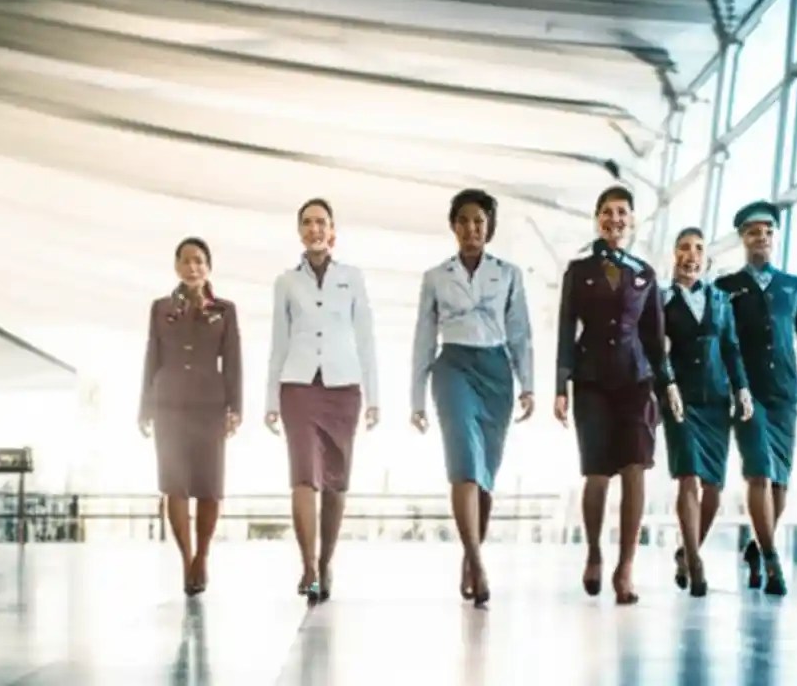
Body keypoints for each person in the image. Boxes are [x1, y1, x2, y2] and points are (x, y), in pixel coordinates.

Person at [554, 185, 682, 606]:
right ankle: (593, 551)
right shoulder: (578, 270)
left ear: (632, 220)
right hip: (591, 381)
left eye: (622, 212)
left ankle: (626, 567)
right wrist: (561, 386)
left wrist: (668, 386)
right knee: (595, 474)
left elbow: (655, 337)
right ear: (597, 218)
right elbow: (565, 331)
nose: (615, 219)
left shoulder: (644, 272)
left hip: (636, 381)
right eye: (607, 212)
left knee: (635, 470)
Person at [410, 188, 534, 608]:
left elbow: (520, 332)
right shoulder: (435, 277)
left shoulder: (509, 273)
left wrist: (528, 384)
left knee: (485, 475)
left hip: (497, 372)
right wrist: (415, 399)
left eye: (479, 221)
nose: (471, 229)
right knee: (463, 462)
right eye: (463, 221)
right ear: (453, 226)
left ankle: (470, 553)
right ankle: (478, 564)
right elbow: (423, 339)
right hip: (453, 369)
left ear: (489, 227)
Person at [264, 198, 380, 603]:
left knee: (336, 480)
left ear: (332, 231)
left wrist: (375, 396)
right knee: (303, 476)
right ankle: (309, 566)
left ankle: (327, 560)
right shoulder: (286, 283)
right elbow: (278, 341)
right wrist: (270, 399)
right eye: (308, 223)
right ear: (299, 231)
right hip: (297, 386)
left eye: (322, 223)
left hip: (343, 387)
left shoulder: (353, 278)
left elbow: (365, 338)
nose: (315, 229)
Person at [714, 200, 797, 597]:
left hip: (784, 393)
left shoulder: (793, 286)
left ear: (773, 238)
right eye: (752, 232)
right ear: (742, 238)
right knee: (758, 471)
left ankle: (755, 548)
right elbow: (714, 339)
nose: (760, 238)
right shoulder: (725, 288)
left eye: (767, 232)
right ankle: (771, 557)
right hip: (745, 392)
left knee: (780, 480)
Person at [138, 237, 242, 596]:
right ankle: (186, 560)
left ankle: (203, 556)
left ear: (208, 267)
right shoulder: (160, 307)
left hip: (209, 407)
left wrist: (235, 407)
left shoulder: (224, 310)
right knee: (175, 484)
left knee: (210, 486)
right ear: (177, 267)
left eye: (199, 260)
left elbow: (233, 362)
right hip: (168, 405)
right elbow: (152, 356)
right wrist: (144, 406)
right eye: (185, 261)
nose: (192, 267)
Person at [661, 227, 753, 598]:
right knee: (687, 477)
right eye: (683, 248)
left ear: (706, 260)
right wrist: (666, 383)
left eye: (698, 249)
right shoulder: (662, 300)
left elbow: (731, 348)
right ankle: (696, 562)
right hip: (679, 399)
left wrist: (741, 388)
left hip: (715, 400)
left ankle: (686, 549)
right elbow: (656, 349)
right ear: (674, 255)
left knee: (713, 487)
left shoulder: (720, 300)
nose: (691, 255)